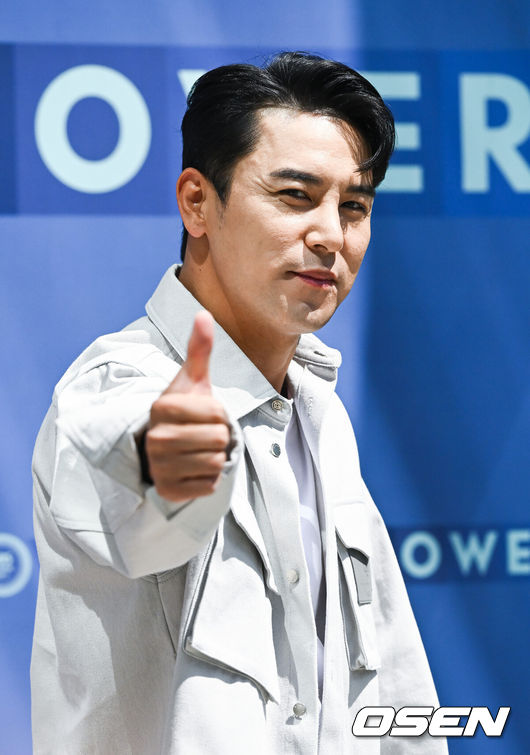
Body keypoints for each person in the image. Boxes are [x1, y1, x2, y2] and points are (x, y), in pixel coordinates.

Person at [31, 52, 446, 754]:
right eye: (295, 196)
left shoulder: (320, 411)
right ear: (197, 202)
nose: (331, 234)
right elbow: (129, 486)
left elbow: (390, 683)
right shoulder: (116, 384)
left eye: (354, 206)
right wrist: (165, 461)